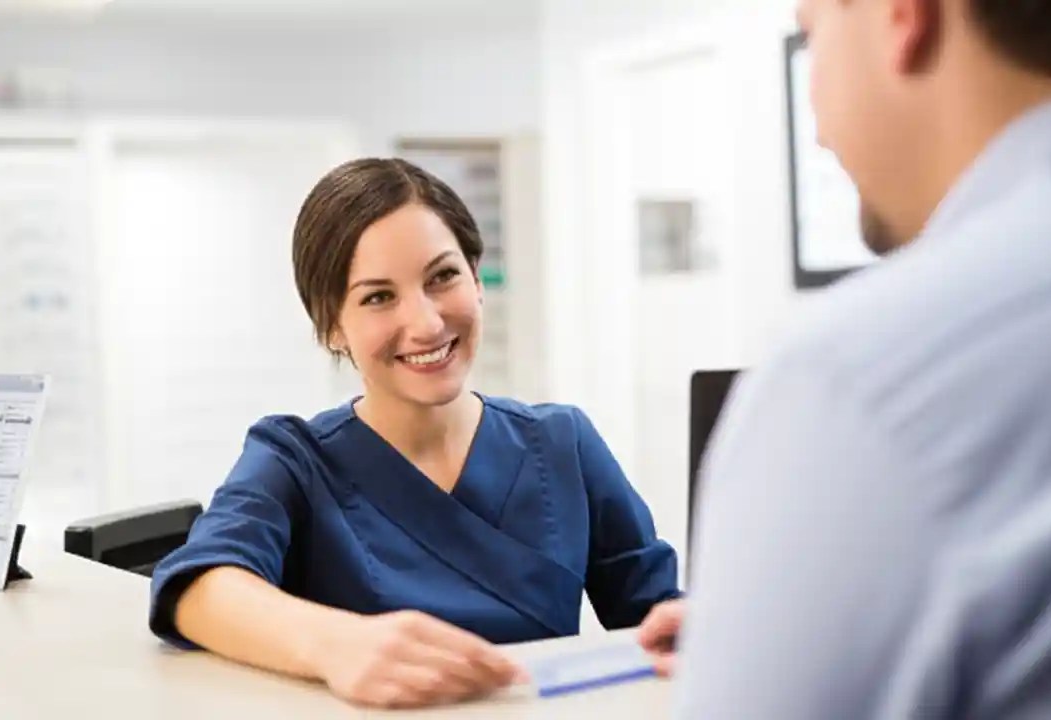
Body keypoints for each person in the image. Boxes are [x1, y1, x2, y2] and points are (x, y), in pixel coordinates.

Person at [636, 0, 1051, 717]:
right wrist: (804, 624)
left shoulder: (858, 383)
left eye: (812, 37)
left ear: (903, 16)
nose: (819, 127)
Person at [147, 158, 680, 709]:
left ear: (477, 278)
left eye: (442, 277)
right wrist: (337, 646)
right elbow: (198, 587)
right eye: (378, 297)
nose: (426, 323)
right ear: (332, 326)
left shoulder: (563, 443)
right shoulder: (294, 461)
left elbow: (660, 622)